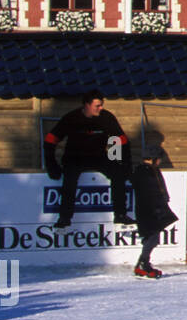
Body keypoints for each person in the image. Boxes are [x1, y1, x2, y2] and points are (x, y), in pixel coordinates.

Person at [44, 90, 133, 229]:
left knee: (118, 173)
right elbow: (51, 139)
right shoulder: (71, 118)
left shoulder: (106, 117)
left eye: (102, 105)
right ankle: (64, 219)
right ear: (87, 105)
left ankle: (120, 215)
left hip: (98, 157)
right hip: (75, 157)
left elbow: (119, 140)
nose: (101, 108)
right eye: (97, 105)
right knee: (69, 180)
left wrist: (123, 164)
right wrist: (52, 164)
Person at [130, 141, 177, 280]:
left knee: (152, 238)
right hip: (149, 209)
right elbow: (150, 191)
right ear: (153, 158)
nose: (160, 161)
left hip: (153, 208)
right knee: (152, 237)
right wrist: (158, 206)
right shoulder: (144, 171)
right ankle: (142, 263)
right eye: (159, 158)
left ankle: (143, 262)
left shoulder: (150, 170)